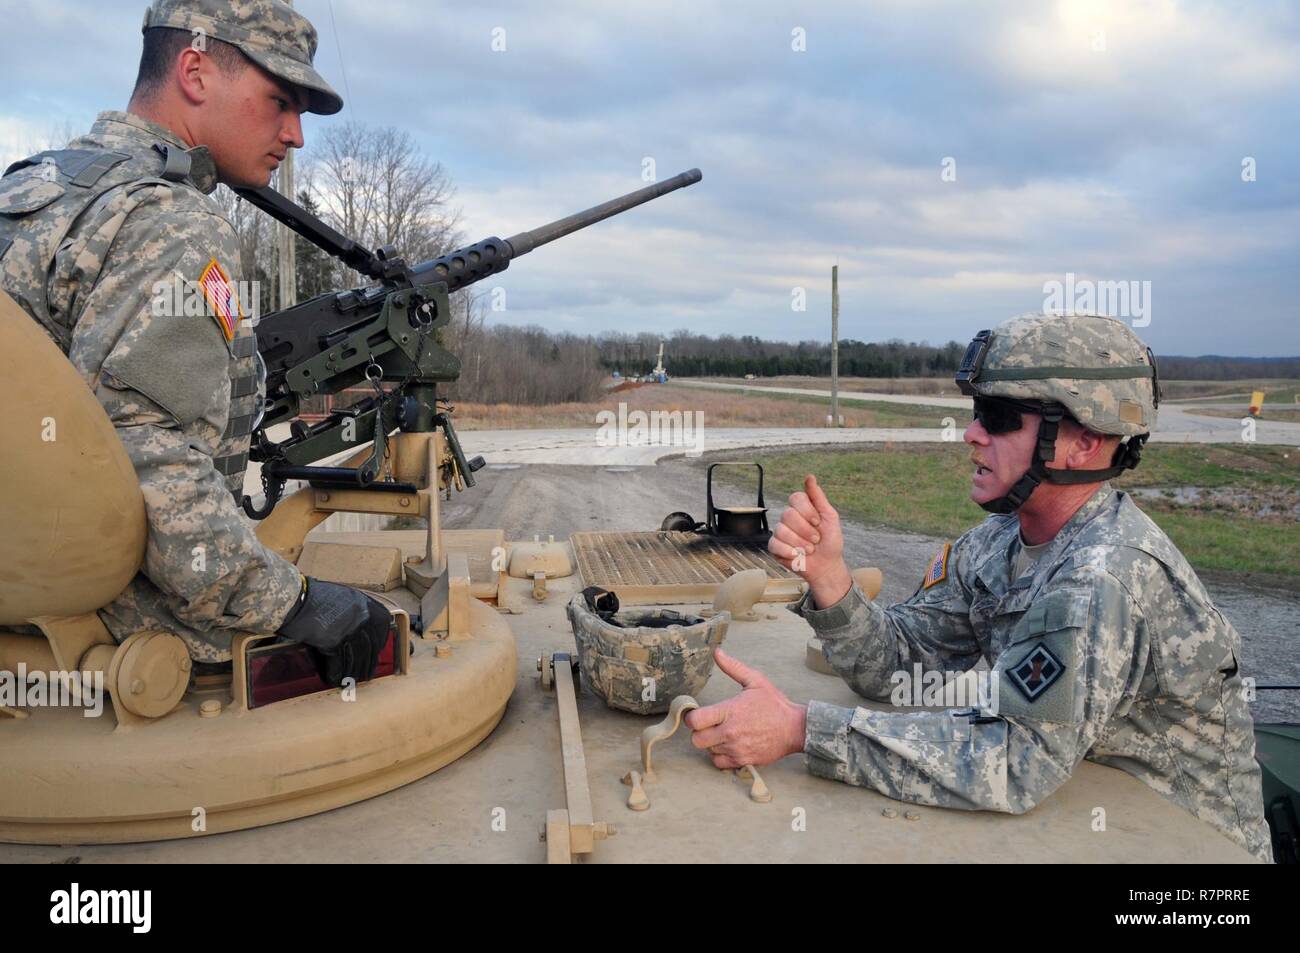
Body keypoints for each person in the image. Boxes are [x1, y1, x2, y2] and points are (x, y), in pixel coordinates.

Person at [685, 312, 1272, 862]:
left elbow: (1016, 759)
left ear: (1086, 440)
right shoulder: (995, 544)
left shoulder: (1106, 576)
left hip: (1188, 853)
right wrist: (831, 580)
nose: (970, 434)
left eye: (996, 418)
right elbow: (896, 672)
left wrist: (797, 728)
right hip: (1094, 813)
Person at [0, 0, 388, 684]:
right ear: (196, 71)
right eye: (278, 100)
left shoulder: (37, 187)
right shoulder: (173, 221)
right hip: (122, 639)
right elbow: (152, 466)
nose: (295, 134)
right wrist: (293, 602)